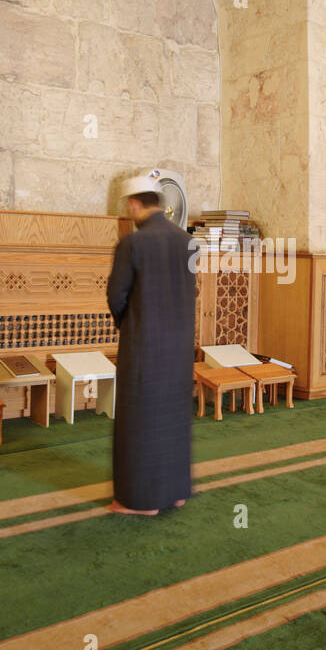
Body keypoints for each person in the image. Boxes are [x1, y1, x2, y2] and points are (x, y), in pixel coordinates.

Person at [105, 174, 196, 514]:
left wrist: (130, 324)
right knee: (173, 416)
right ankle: (175, 491)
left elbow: (117, 296)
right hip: (179, 346)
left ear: (133, 204)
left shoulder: (133, 243)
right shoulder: (186, 241)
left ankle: (140, 501)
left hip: (144, 345)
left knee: (140, 419)